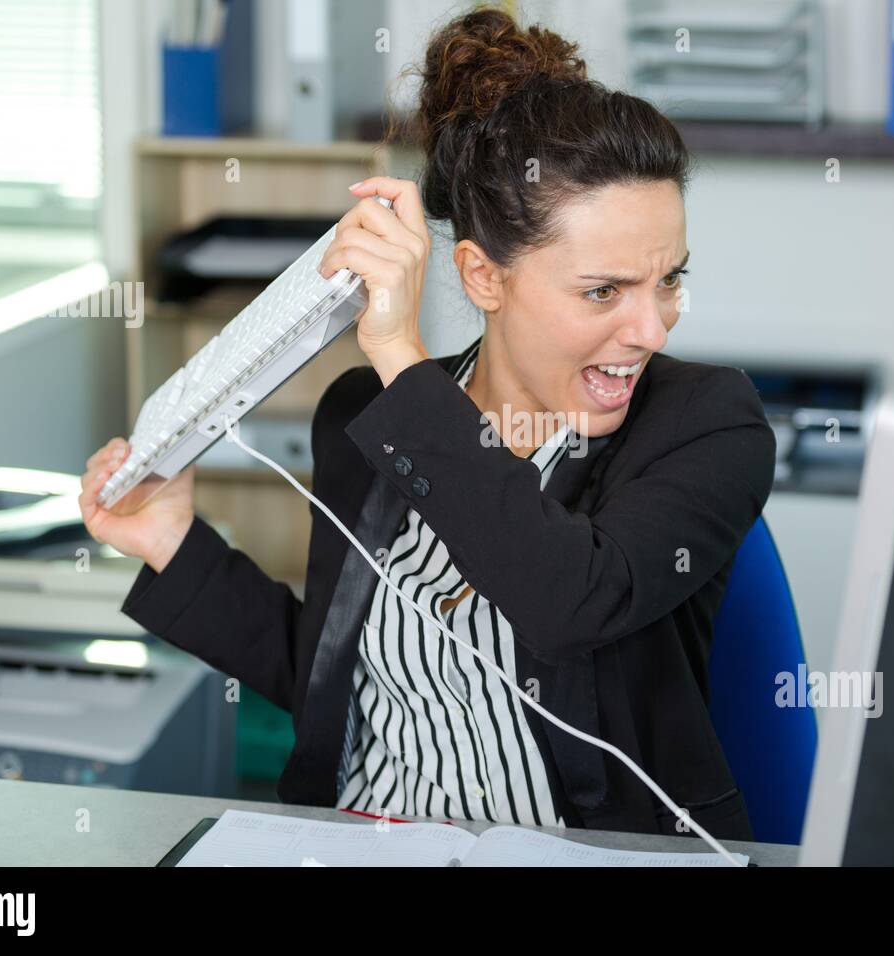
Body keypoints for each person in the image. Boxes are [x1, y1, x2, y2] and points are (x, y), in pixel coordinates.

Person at [79, 6, 775, 841]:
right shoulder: (365, 420)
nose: (653, 329)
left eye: (668, 282)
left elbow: (570, 603)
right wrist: (172, 544)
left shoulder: (706, 424)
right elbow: (334, 674)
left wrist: (403, 361)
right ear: (482, 275)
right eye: (604, 291)